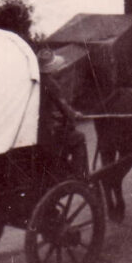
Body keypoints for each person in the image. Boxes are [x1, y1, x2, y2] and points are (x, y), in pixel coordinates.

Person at [36, 49, 88, 178]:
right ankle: (78, 174)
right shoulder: (50, 83)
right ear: (50, 68)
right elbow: (63, 105)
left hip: (40, 130)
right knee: (79, 137)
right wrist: (75, 114)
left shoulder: (38, 82)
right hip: (50, 132)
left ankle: (65, 168)